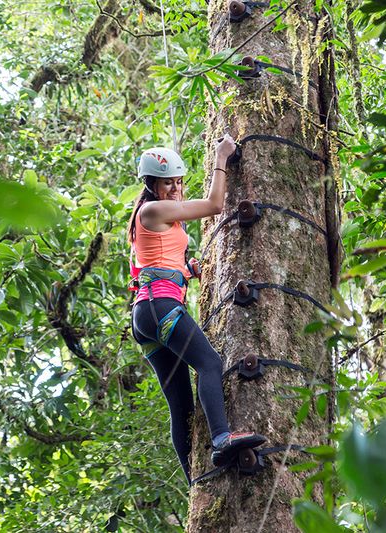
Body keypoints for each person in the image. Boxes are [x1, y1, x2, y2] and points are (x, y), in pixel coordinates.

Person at [128, 136, 266, 485]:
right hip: (160, 307)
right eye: (167, 183)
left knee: (181, 406)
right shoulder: (152, 210)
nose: (175, 189)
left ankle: (195, 482)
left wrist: (188, 270)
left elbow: (157, 260)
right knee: (209, 363)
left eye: (178, 182)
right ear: (151, 184)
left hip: (147, 313)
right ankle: (221, 440)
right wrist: (221, 157)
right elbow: (215, 205)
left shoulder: (151, 215)